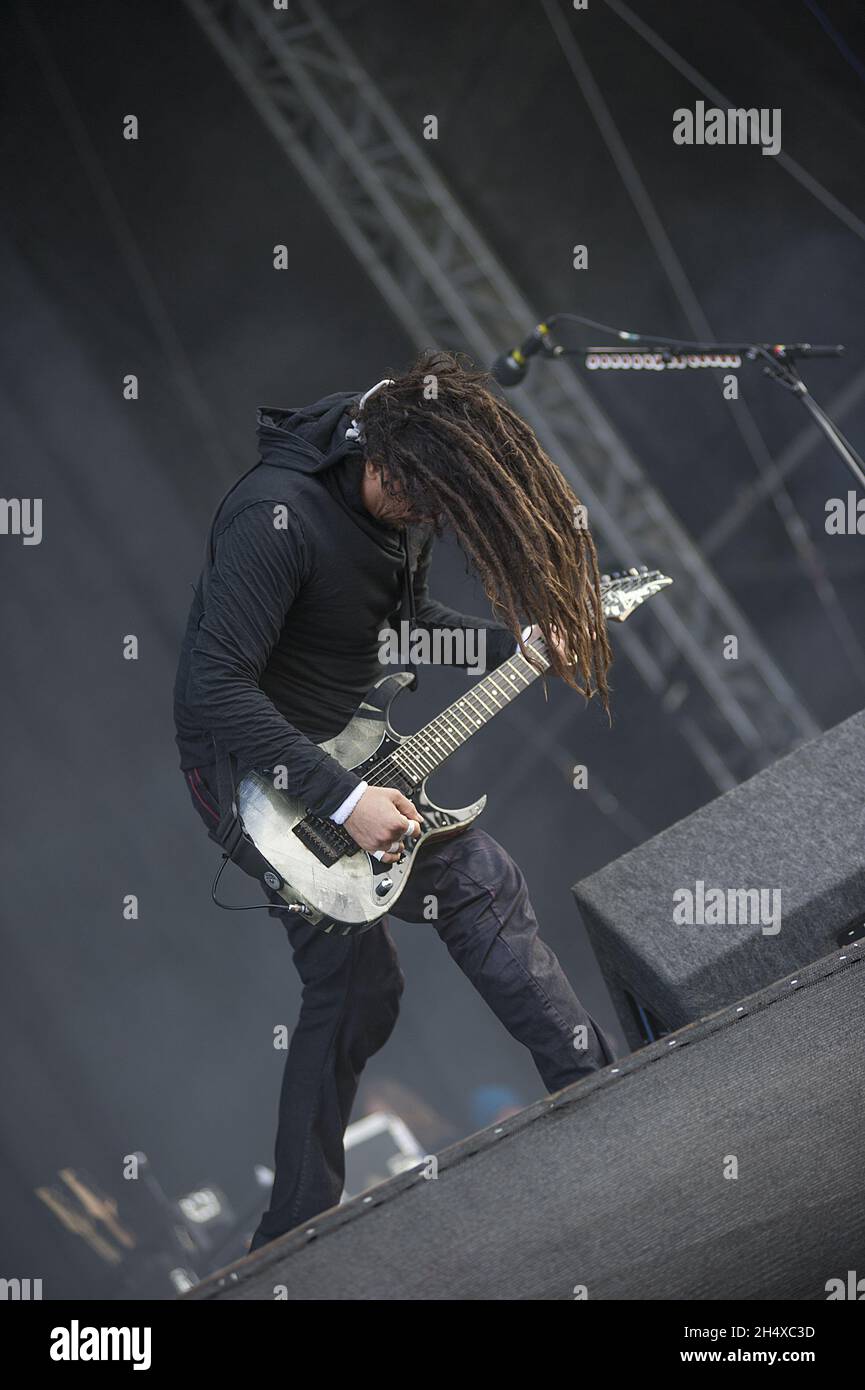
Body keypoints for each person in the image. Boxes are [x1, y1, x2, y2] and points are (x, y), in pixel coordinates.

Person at [174, 352, 616, 1250]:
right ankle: (292, 1239)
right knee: (359, 979)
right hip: (258, 781)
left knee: (427, 927)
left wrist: (512, 649)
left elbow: (397, 628)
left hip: (345, 749)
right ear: (386, 467)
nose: (439, 519)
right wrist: (343, 803)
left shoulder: (401, 486)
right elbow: (213, 688)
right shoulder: (276, 518)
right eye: (431, 502)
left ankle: (598, 1088)